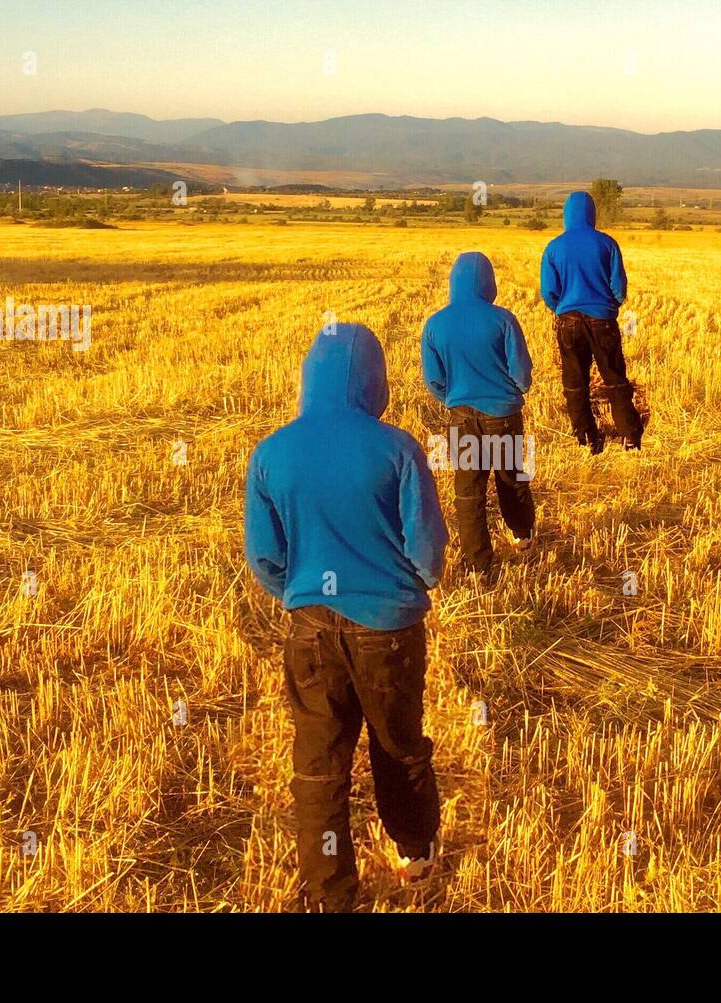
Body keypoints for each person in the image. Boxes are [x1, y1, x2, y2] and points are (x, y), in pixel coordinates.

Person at [244, 322, 449, 913]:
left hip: (309, 626)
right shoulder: (398, 448)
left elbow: (265, 555)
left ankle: (330, 891)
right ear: (374, 381)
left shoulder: (272, 452)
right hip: (388, 629)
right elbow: (427, 550)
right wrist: (413, 588)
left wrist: (302, 595)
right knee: (399, 744)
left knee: (318, 763)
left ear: (309, 376)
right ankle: (414, 853)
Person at [421, 251, 535, 582]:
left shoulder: (435, 324)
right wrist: (514, 391)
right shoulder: (504, 320)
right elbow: (522, 373)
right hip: (504, 416)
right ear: (490, 282)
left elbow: (434, 380)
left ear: (452, 282)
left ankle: (477, 563)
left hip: (461, 418)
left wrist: (455, 399)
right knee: (511, 478)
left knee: (468, 489)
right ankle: (522, 535)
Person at [539, 190, 644, 453]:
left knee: (575, 382)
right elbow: (618, 286)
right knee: (615, 378)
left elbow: (548, 291)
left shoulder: (554, 247)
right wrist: (610, 307)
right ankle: (629, 436)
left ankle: (586, 438)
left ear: (566, 214)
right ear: (592, 213)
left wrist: (561, 310)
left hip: (568, 322)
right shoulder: (607, 243)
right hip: (602, 319)